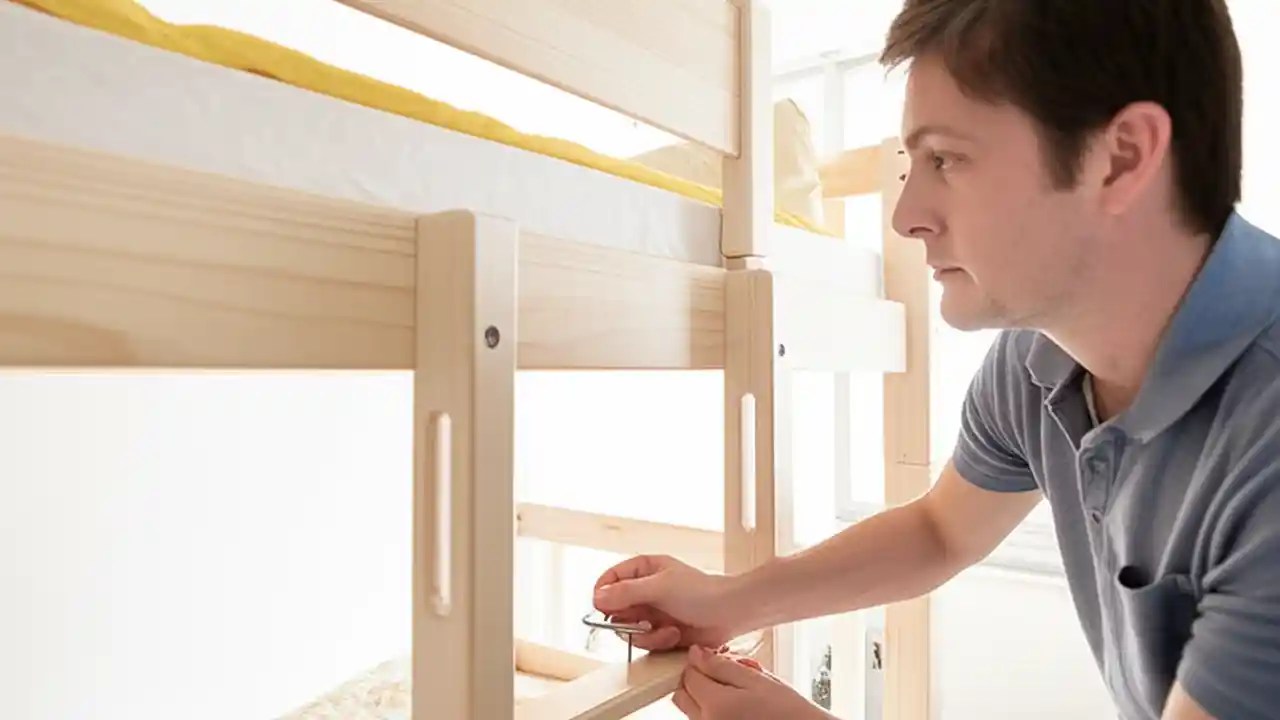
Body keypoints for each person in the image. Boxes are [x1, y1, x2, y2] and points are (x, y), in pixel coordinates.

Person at [592, 1, 1280, 718]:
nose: (905, 214)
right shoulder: (1040, 357)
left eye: (946, 158)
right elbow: (941, 530)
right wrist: (728, 600)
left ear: (1124, 157)